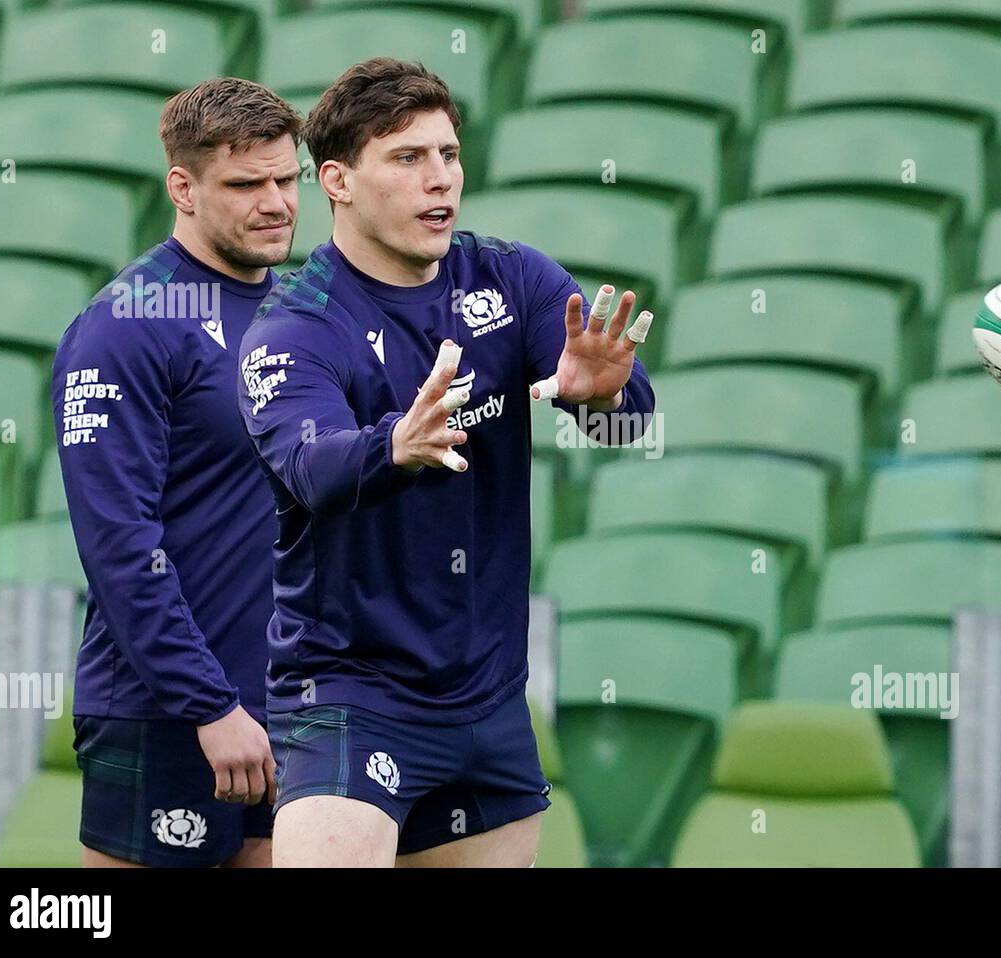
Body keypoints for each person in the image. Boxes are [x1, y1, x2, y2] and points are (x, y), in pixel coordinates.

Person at [237, 57, 656, 867]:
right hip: (351, 696)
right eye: (407, 158)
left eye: (449, 155)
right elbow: (308, 469)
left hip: (487, 701)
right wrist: (393, 446)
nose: (440, 180)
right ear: (338, 181)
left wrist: (602, 399)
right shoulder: (293, 327)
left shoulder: (514, 278)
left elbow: (625, 427)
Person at [53, 77, 302, 867]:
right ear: (183, 187)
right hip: (169, 714)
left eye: (287, 179)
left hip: (297, 708)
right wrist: (209, 704)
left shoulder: (304, 310)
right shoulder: (125, 325)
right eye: (245, 184)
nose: (276, 203)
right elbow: (119, 542)